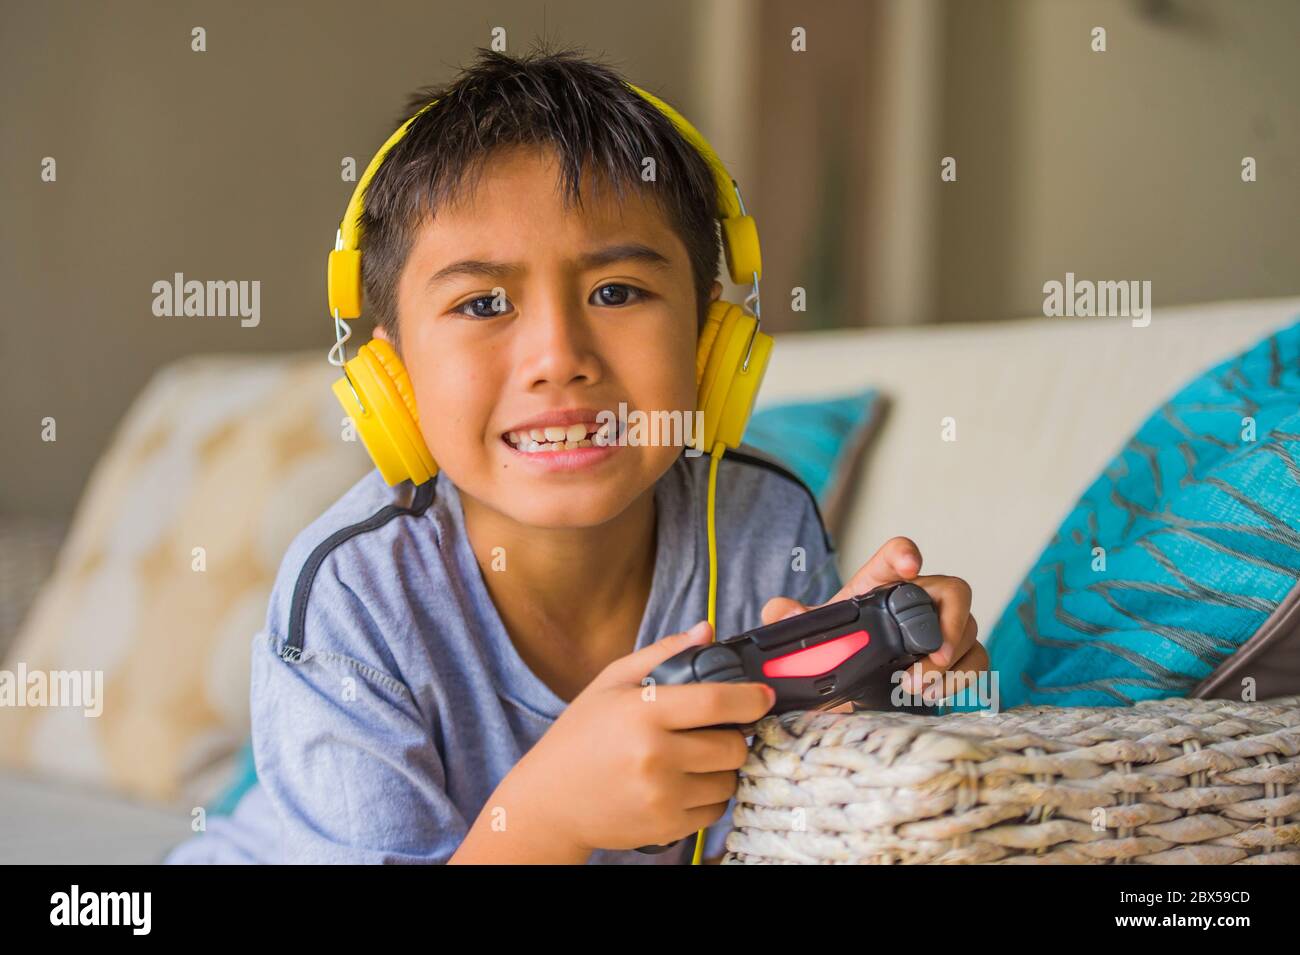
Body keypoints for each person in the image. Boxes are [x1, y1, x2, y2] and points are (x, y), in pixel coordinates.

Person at [165, 45, 986, 865]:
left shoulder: (765, 526)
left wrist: (889, 698)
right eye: (483, 302)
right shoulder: (352, 597)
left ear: (709, 343)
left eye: (616, 292)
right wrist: (549, 817)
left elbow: (804, 818)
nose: (558, 355)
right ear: (394, 377)